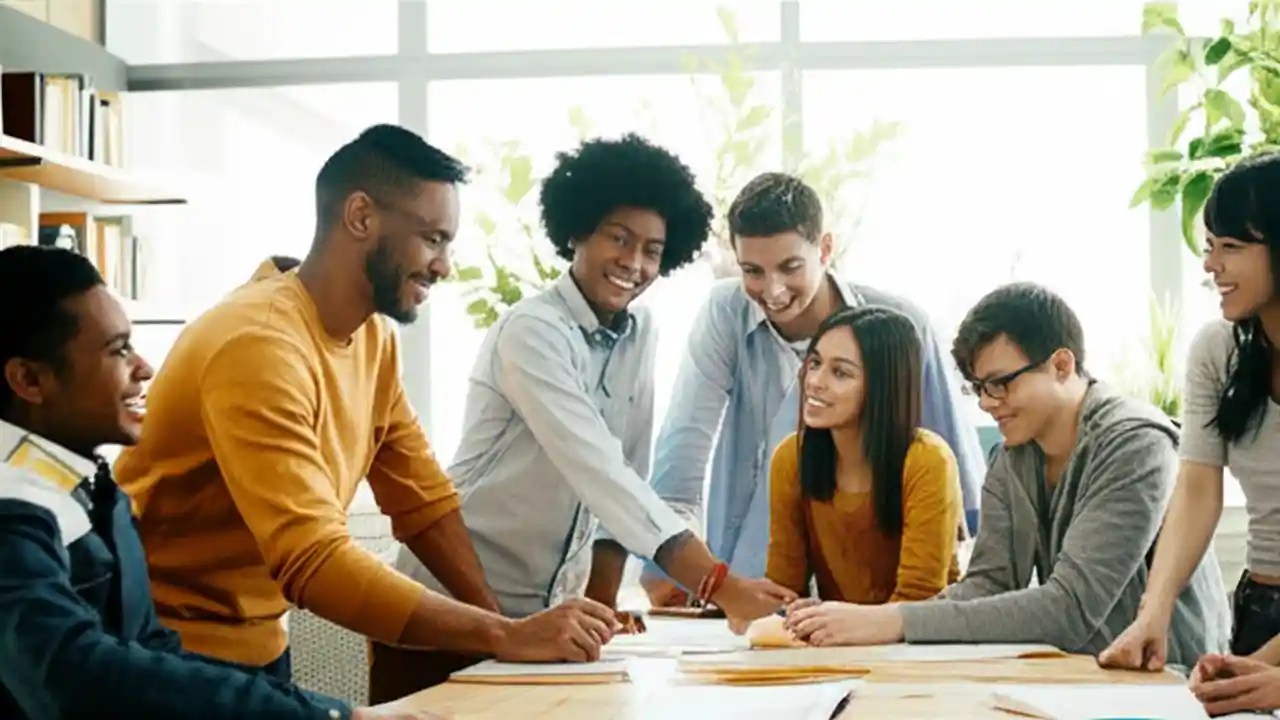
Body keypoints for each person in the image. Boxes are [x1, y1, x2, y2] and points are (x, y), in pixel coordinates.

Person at [113, 124, 616, 679]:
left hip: (257, 646)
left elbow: (421, 501)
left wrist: (501, 630)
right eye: (432, 239)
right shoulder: (259, 343)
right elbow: (312, 560)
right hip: (160, 651)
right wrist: (502, 634)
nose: (444, 265)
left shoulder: (371, 337)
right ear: (360, 217)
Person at [376, 134, 797, 700]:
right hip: (449, 611)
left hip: (542, 624)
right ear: (577, 231)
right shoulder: (533, 331)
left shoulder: (640, 332)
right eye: (618, 238)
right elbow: (601, 474)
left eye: (652, 250)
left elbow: (629, 474)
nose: (634, 263)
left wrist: (601, 607)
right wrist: (720, 585)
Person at [0, 245, 441, 719]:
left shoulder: (92, 489)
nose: (144, 368)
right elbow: (75, 675)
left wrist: (330, 712)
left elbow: (152, 651)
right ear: (29, 380)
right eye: (118, 350)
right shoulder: (13, 509)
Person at [782, 282, 1230, 669]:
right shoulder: (1014, 453)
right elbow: (989, 583)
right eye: (979, 387)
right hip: (1079, 677)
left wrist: (892, 620)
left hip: (1169, 681)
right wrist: (871, 622)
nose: (986, 402)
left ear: (1061, 366)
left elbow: (1071, 608)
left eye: (1000, 383)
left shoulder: (1136, 443)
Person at [643, 171, 983, 604]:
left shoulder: (900, 326)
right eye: (753, 271)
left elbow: (956, 496)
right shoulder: (726, 312)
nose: (773, 290)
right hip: (753, 591)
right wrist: (670, 567)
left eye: (790, 267)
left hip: (886, 602)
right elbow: (682, 455)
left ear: (824, 249)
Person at [1102, 153, 1280, 709]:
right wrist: (1152, 614)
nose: (1210, 265)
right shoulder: (1218, 351)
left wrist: (1271, 667)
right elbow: (1198, 489)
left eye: (1231, 246)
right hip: (1261, 603)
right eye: (1209, 246)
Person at [766, 305, 962, 612]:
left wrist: (841, 624)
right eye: (815, 363)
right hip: (838, 636)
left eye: (840, 372)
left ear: (883, 386)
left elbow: (918, 601)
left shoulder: (928, 460)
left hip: (923, 637)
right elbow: (784, 588)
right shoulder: (791, 458)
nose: (814, 381)